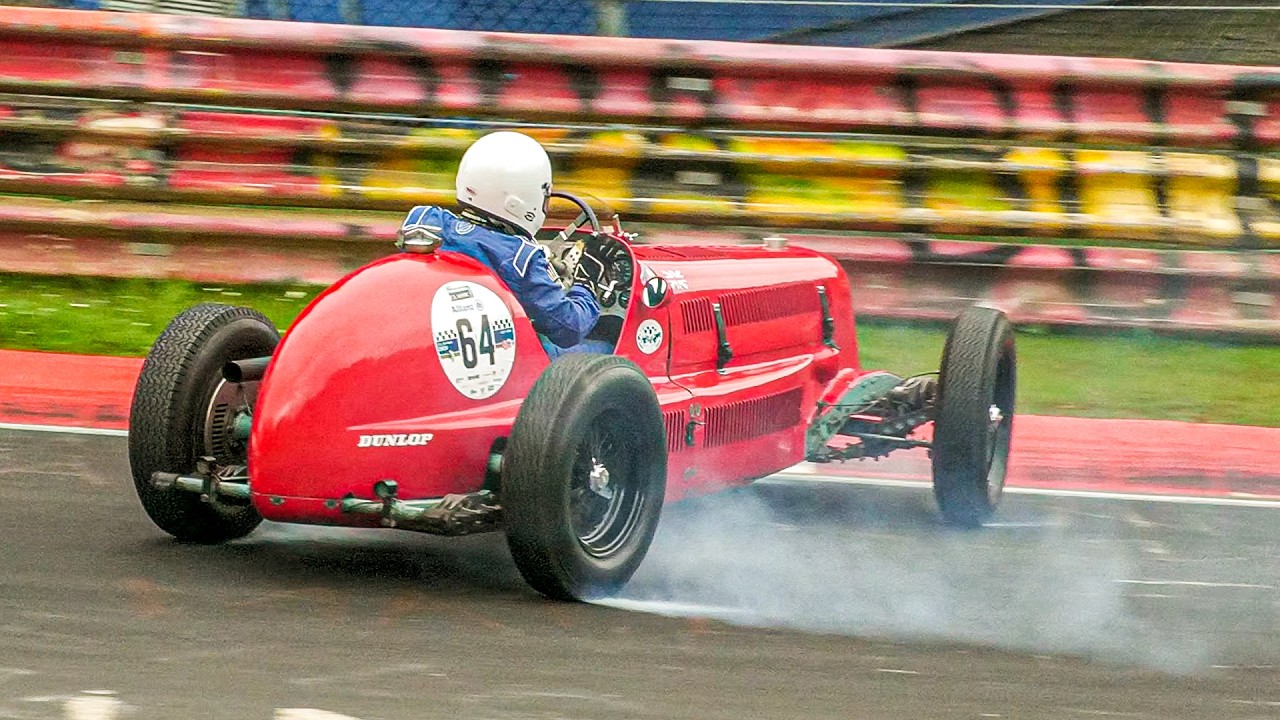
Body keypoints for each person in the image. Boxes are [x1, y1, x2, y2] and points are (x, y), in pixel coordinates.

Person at [397, 131, 611, 357]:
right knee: (607, 351)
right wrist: (585, 285)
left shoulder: (425, 222)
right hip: (504, 357)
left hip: (431, 339)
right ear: (516, 203)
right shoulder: (520, 258)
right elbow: (570, 328)